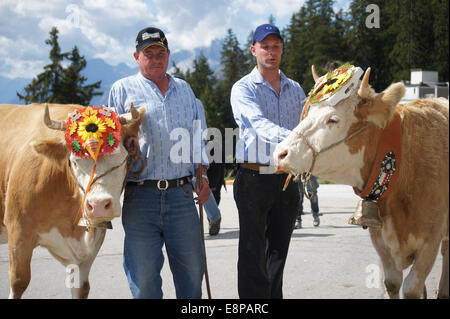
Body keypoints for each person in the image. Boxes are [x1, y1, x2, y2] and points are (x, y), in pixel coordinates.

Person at [108, 27, 210, 299]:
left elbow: (197, 137)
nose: (155, 59)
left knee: (191, 274)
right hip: (140, 196)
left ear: (169, 54)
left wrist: (203, 177)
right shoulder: (121, 90)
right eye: (148, 53)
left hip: (181, 195)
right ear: (136, 56)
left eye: (161, 53)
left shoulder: (184, 89)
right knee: (144, 279)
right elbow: (111, 146)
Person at [230, 24, 306, 299]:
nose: (270, 52)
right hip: (253, 179)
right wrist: (297, 139)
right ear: (254, 50)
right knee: (252, 253)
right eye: (265, 47)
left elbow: (308, 123)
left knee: (278, 252)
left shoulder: (296, 89)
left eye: (276, 46)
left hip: (287, 179)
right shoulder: (243, 88)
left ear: (282, 50)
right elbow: (258, 124)